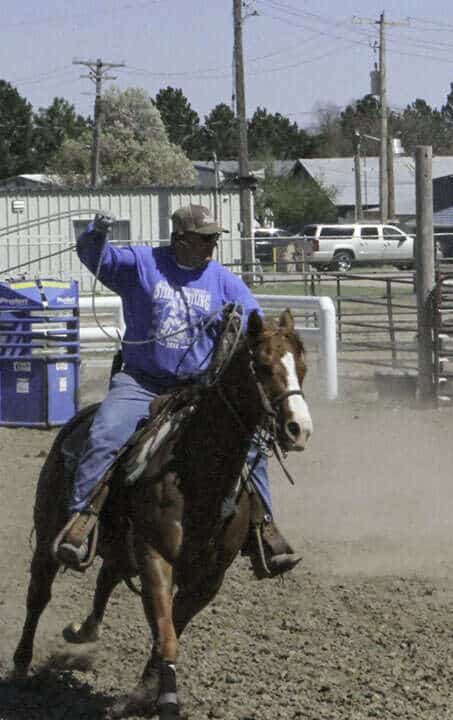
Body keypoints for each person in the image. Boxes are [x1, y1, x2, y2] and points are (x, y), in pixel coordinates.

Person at [53, 205, 301, 577]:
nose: (211, 245)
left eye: (215, 238)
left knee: (250, 444)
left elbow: (259, 328)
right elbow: (95, 257)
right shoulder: (141, 263)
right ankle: (83, 519)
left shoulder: (224, 282)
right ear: (179, 238)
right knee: (106, 433)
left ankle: (262, 526)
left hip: (198, 388)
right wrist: (96, 232)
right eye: (204, 238)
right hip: (141, 382)